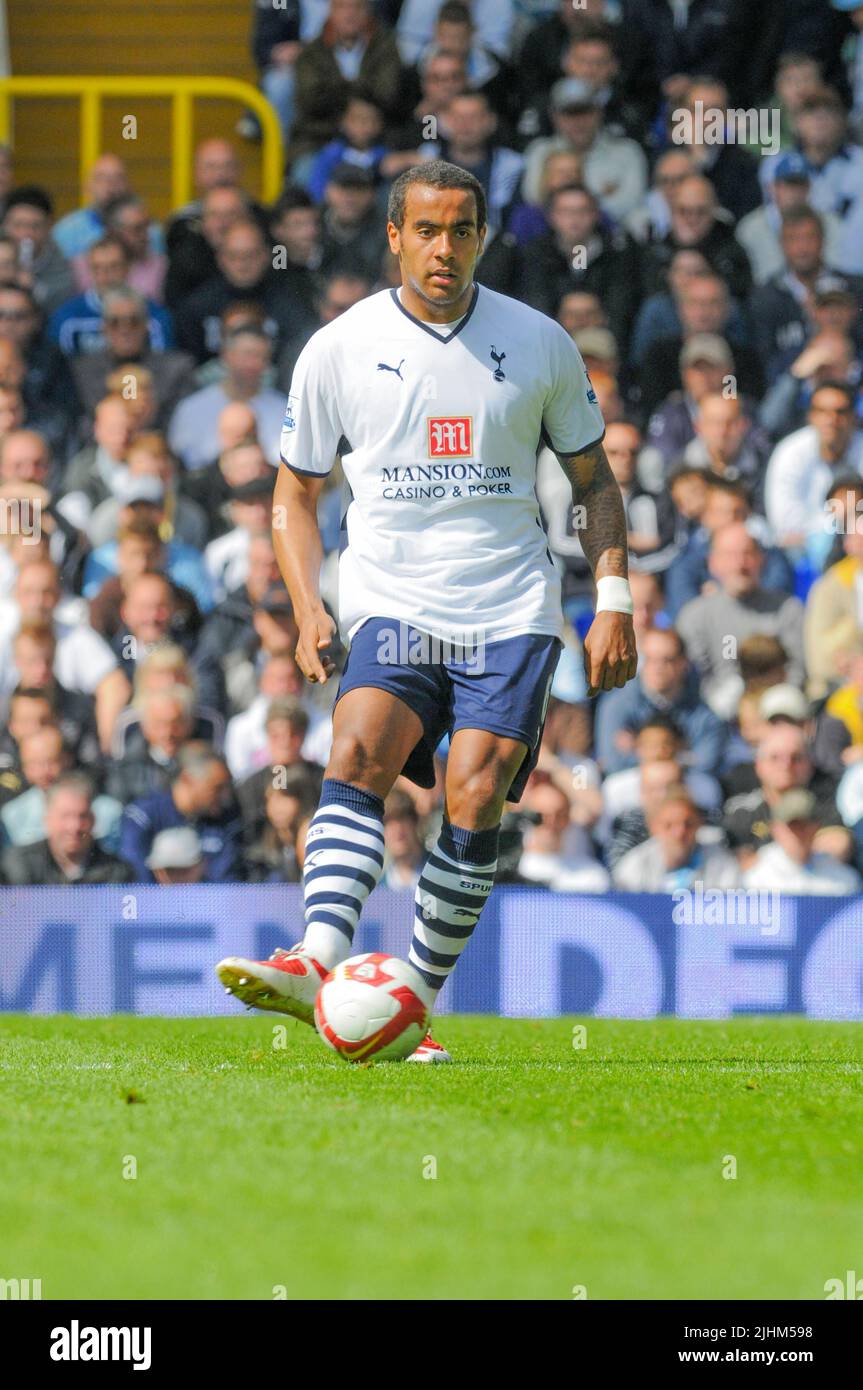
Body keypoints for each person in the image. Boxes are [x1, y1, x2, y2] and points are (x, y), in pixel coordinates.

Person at [217, 158, 637, 1062]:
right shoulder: (337, 346)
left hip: (509, 599)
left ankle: (410, 993)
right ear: (395, 237)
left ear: (481, 237)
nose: (443, 249)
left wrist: (613, 596)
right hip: (391, 591)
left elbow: (594, 481)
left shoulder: (539, 343)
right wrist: (305, 605)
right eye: (427, 230)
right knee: (360, 744)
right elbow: (292, 495)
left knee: (474, 789)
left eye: (461, 231)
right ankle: (315, 957)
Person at [0, 772, 132, 884]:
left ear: (93, 820)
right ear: (47, 819)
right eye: (65, 816)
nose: (74, 826)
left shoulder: (118, 873)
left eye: (82, 816)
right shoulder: (16, 867)